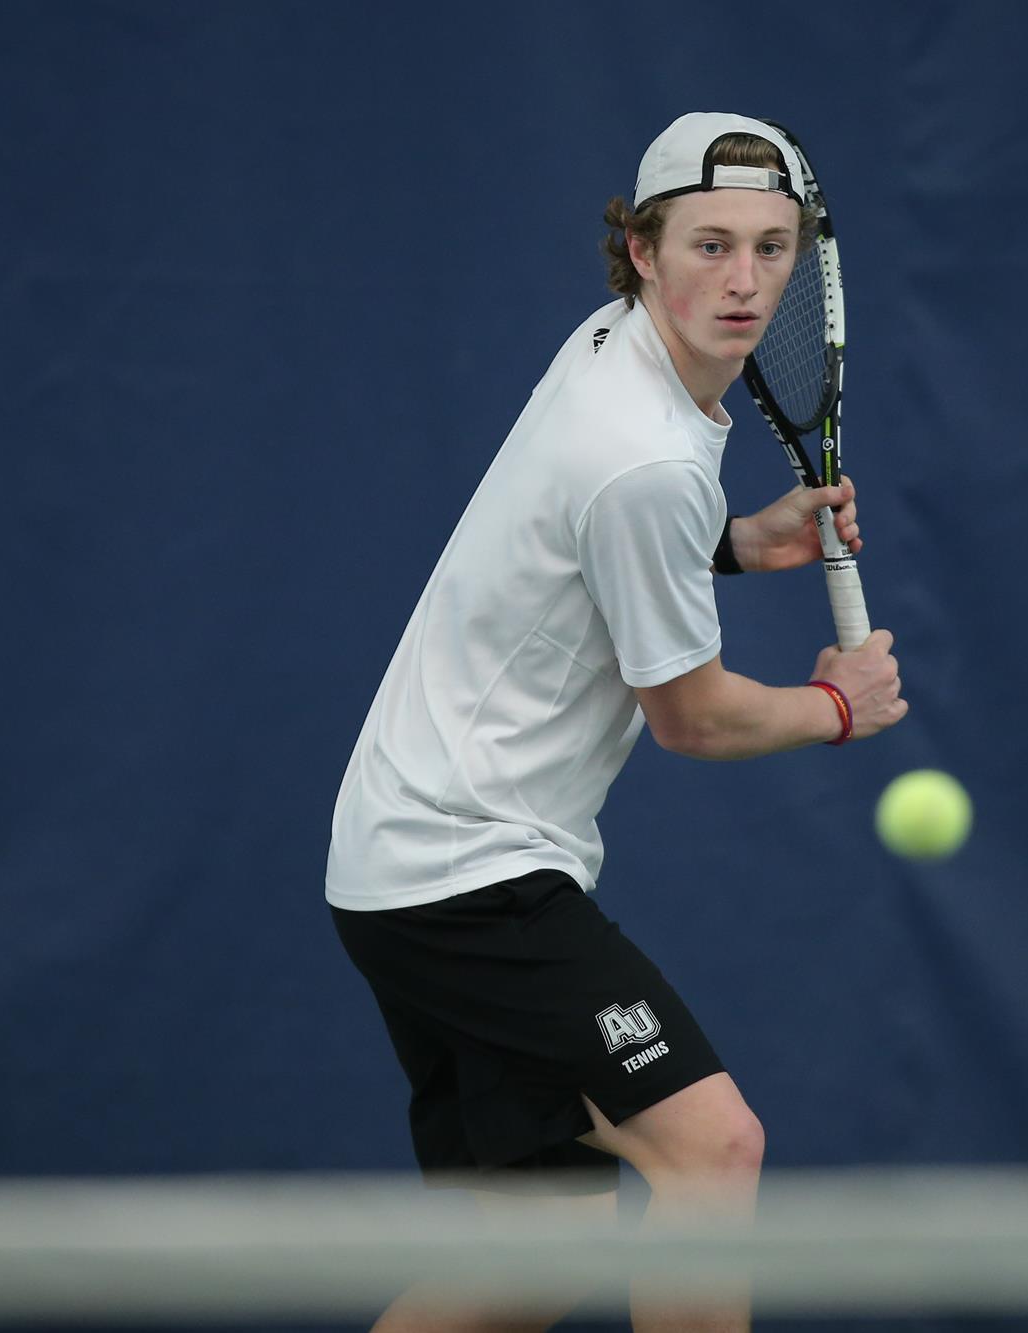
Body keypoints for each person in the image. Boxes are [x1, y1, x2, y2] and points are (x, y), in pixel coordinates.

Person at [325, 111, 907, 1333]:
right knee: (713, 1152)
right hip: (461, 868)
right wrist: (834, 709)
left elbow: (587, 543)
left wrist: (743, 542)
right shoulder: (640, 455)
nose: (743, 280)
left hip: (401, 857)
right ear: (641, 250)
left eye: (770, 244)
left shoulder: (611, 353)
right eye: (707, 244)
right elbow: (692, 718)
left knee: (535, 1255)